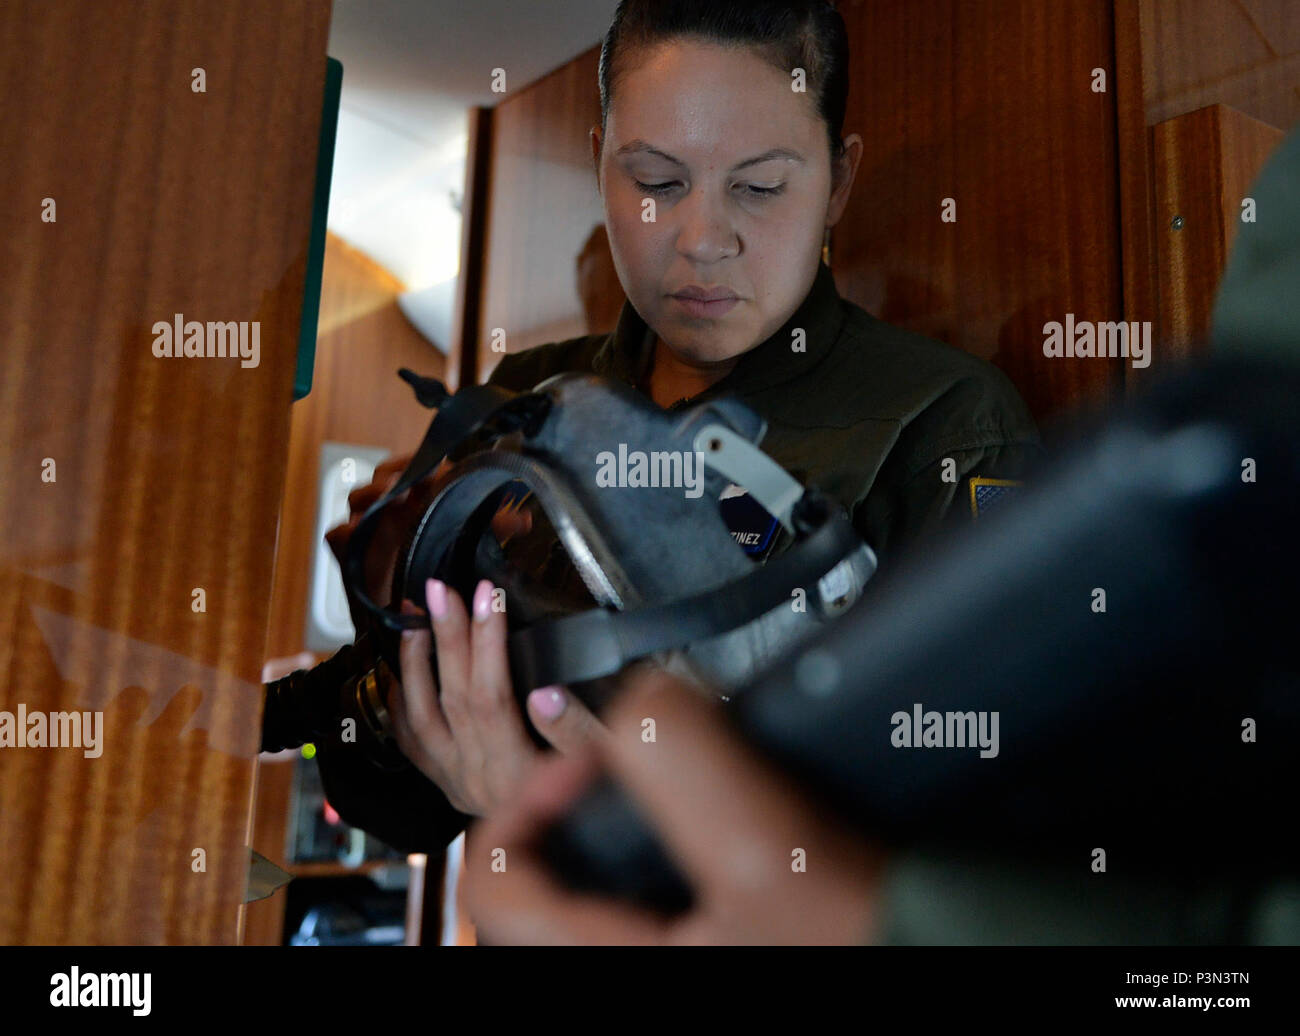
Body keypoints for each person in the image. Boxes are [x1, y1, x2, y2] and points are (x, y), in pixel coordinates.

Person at [324, 0, 1040, 840]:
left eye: (760, 186)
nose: (703, 238)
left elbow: (979, 830)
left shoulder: (950, 425)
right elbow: (389, 807)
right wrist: (395, 616)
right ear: (600, 166)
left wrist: (581, 811)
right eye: (657, 183)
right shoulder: (523, 395)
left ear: (839, 181)